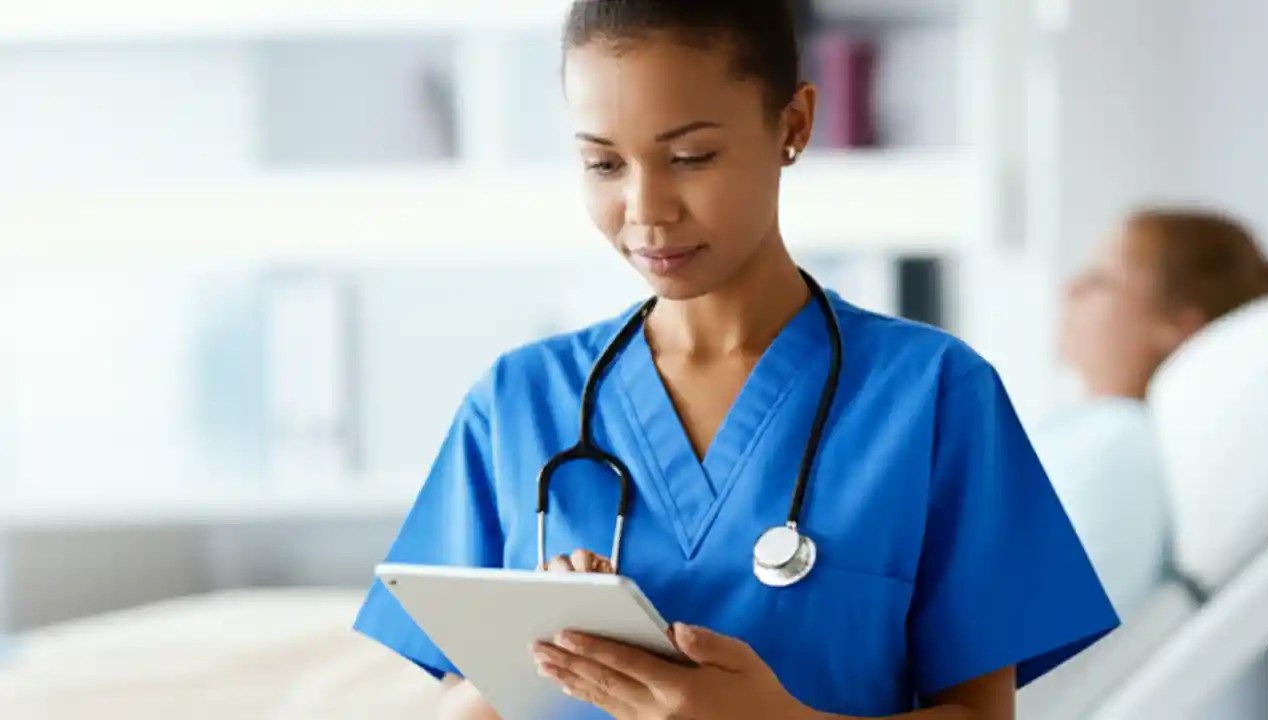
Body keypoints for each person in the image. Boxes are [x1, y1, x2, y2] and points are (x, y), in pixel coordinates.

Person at [354, 2, 1119, 717]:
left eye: (690, 156)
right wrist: (539, 656)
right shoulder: (517, 402)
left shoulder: (936, 397)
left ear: (794, 124)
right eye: (604, 165)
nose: (647, 209)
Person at [1034, 209, 1268, 619]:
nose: (1070, 288)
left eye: (1101, 280)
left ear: (1174, 325)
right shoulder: (1091, 433)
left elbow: (1049, 628)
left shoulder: (1115, 443)